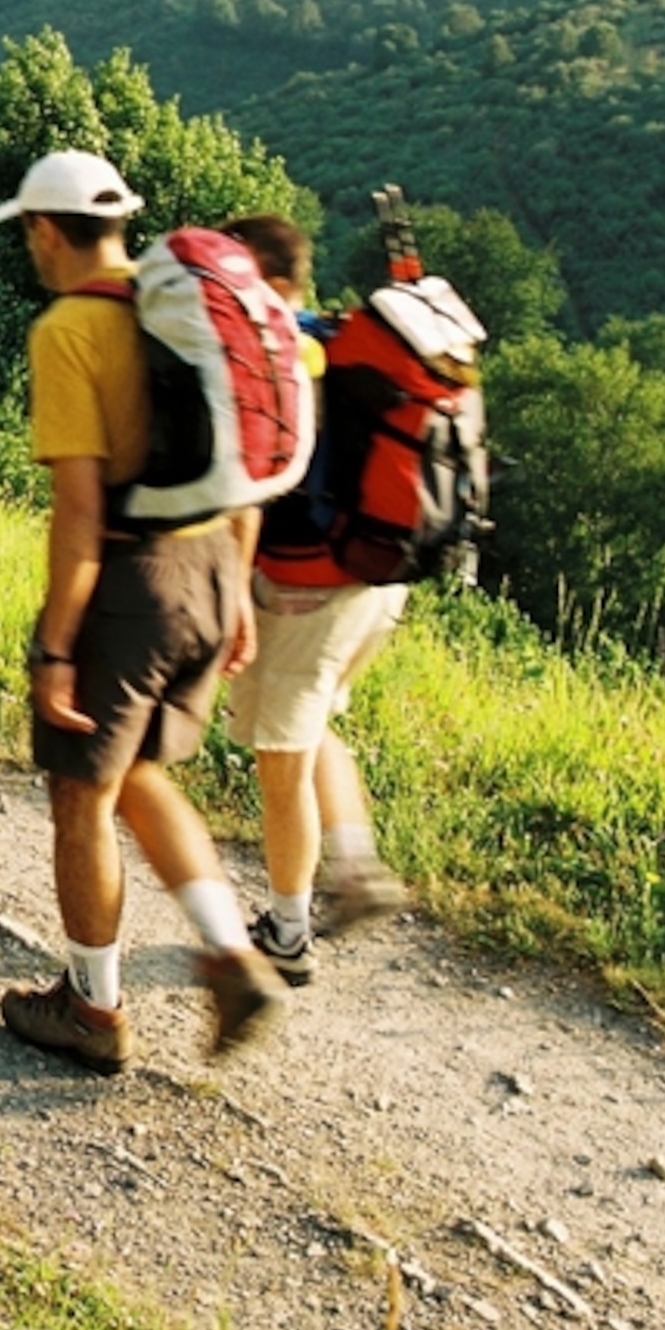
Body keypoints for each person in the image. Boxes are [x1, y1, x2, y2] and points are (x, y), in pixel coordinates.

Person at [0, 151, 289, 1075]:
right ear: (120, 225)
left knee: (81, 793)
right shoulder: (187, 311)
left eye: (31, 234)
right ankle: (232, 958)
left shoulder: (70, 331)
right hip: (209, 569)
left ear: (44, 231)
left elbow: (80, 510)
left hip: (133, 583)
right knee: (145, 772)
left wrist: (53, 646)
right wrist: (234, 590)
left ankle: (92, 1009)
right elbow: (240, 464)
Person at [218, 213, 412, 986]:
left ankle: (287, 938)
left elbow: (251, 488)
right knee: (314, 718)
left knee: (280, 759)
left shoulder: (272, 352)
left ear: (265, 275)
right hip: (378, 579)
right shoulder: (337, 338)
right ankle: (358, 867)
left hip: (310, 588)